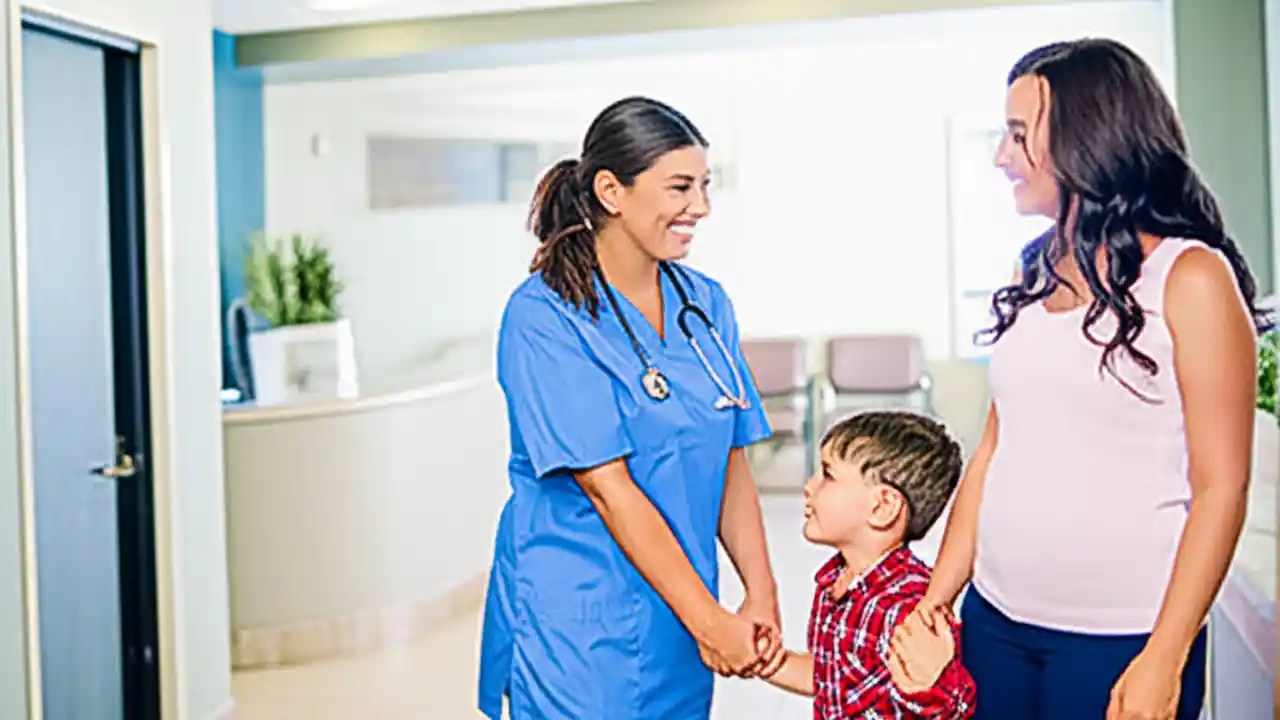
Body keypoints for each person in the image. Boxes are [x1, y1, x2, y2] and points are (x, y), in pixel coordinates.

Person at [896, 38, 1272, 720]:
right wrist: (937, 599)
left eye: (1017, 135)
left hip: (1123, 636)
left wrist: (1166, 652)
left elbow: (1222, 487)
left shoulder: (1190, 277)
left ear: (1086, 136)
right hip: (997, 622)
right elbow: (993, 453)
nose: (1000, 157)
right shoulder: (1029, 272)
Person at [476, 96, 783, 720]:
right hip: (580, 621)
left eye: (703, 186)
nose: (700, 207)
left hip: (679, 608)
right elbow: (607, 487)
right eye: (679, 187)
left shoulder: (705, 304)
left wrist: (761, 592)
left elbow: (730, 461)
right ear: (612, 191)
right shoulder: (543, 318)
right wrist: (711, 623)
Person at [758, 410, 977, 719]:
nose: (809, 487)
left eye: (828, 475)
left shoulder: (908, 608)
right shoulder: (835, 582)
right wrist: (760, 659)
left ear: (882, 506)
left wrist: (932, 686)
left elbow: (952, 705)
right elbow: (832, 677)